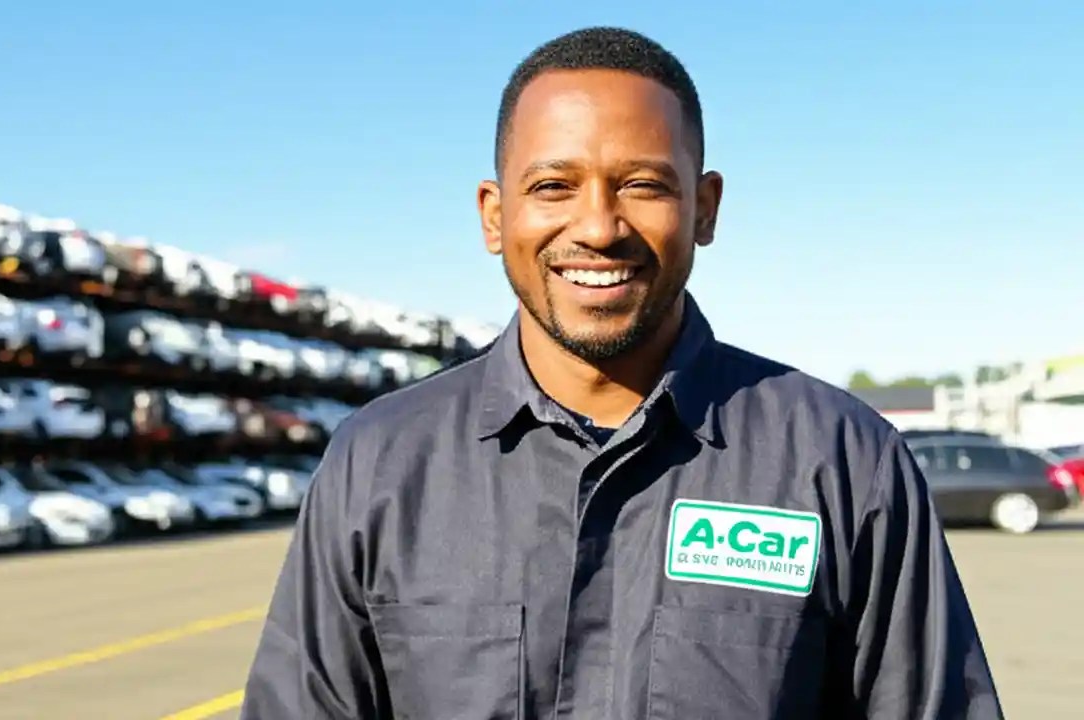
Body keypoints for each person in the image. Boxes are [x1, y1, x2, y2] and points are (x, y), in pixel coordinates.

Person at [241, 26, 1004, 719]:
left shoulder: (841, 461)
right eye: (552, 187)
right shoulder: (380, 462)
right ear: (493, 214)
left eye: (642, 184)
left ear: (704, 209)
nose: (599, 227)